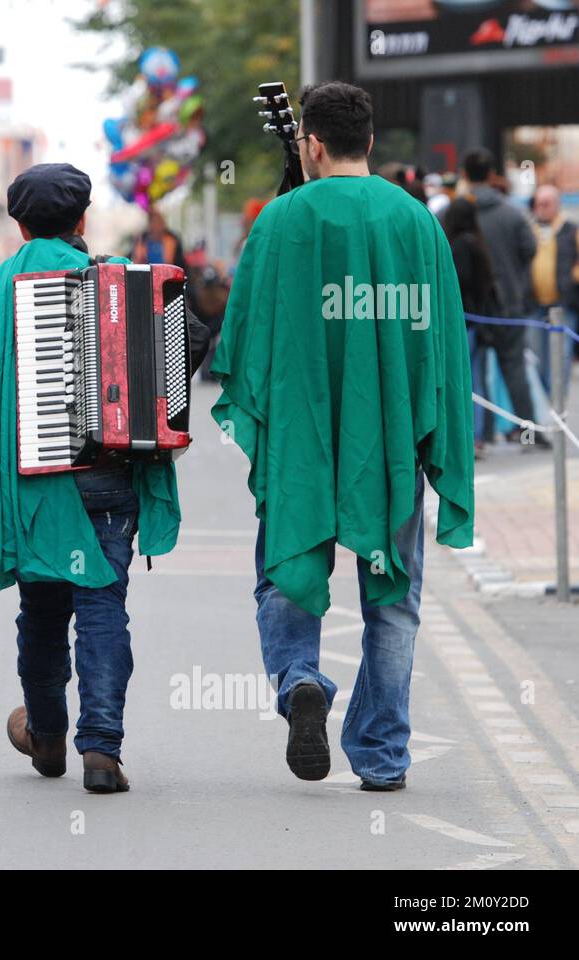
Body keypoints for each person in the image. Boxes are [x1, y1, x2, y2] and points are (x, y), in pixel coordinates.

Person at [0, 162, 207, 794]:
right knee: (103, 605)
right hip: (111, 477)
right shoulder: (122, 280)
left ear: (18, 223)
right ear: (83, 220)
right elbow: (191, 341)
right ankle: (103, 750)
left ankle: (48, 735)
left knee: (41, 612)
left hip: (32, 488)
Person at [212, 81, 475, 791]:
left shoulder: (280, 220)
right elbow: (442, 343)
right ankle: (383, 755)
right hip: (386, 443)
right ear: (368, 141)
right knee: (394, 601)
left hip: (303, 441)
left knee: (287, 574)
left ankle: (302, 677)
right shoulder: (416, 221)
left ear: (313, 144)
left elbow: (241, 338)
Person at [460, 148, 541, 445]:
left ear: (465, 174)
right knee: (515, 370)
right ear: (492, 174)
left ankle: (481, 435)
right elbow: (530, 250)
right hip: (508, 304)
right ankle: (528, 434)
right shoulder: (511, 212)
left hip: (470, 309)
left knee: (472, 372)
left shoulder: (456, 211)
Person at [443, 196, 498, 456]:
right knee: (478, 377)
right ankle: (480, 434)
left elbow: (461, 281)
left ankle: (472, 436)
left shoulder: (460, 246)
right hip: (478, 320)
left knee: (469, 380)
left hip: (465, 321)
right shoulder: (478, 243)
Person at [527, 184, 578, 402]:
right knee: (536, 356)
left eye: (546, 204)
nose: (542, 208)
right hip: (535, 304)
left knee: (561, 356)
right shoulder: (531, 230)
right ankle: (547, 401)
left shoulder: (571, 229)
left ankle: (557, 403)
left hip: (563, 303)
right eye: (538, 204)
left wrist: (571, 279)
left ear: (556, 205)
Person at [130, 208, 187, 274]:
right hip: (146, 275)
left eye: (158, 222)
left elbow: (172, 263)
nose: (156, 226)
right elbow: (136, 262)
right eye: (153, 222)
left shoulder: (171, 240)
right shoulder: (142, 240)